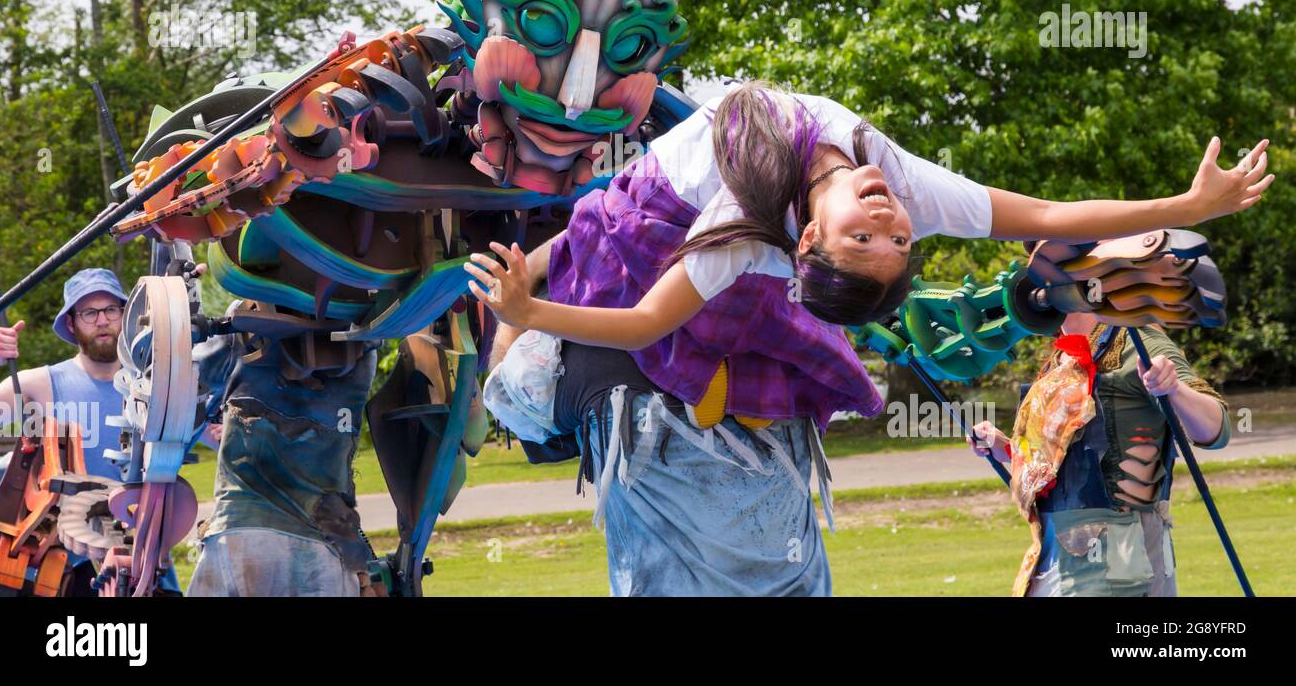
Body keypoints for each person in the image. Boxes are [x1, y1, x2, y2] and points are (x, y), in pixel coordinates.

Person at [470, 79, 1271, 595]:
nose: (891, 225)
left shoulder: (746, 220)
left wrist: (526, 309)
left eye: (873, 241)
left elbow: (650, 319)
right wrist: (1185, 205)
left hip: (653, 246)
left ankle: (523, 341)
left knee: (651, 325)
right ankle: (529, 331)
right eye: (893, 244)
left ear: (811, 244)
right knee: (591, 258)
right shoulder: (896, 186)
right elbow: (1049, 214)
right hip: (635, 227)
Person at [969, 311, 1229, 596]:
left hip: (1124, 557)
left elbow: (1216, 428)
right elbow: (1068, 461)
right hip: (1058, 557)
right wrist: (1004, 447)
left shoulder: (1139, 341)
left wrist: (1174, 388)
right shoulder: (1060, 357)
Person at [0, 267, 181, 595]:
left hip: (139, 556)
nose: (101, 320)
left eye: (111, 309)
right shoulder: (40, 384)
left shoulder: (156, 386)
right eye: (89, 312)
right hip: (58, 564)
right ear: (71, 323)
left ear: (126, 316)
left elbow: (209, 434)